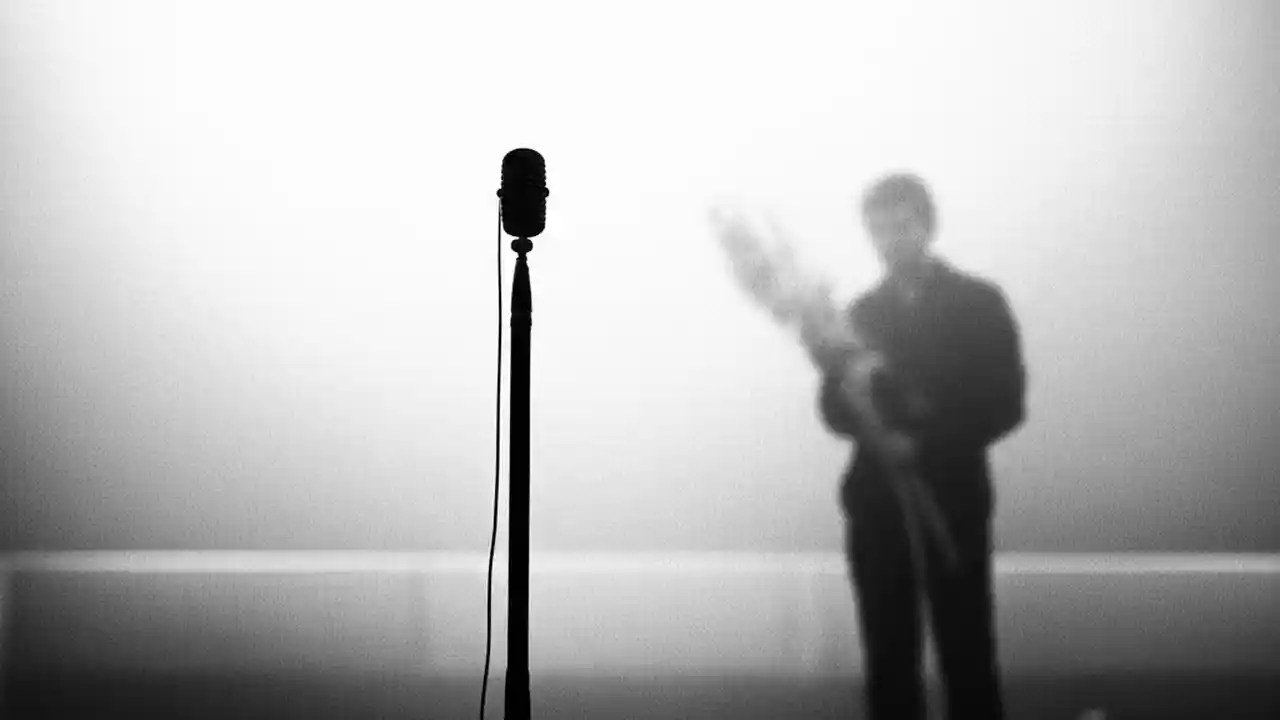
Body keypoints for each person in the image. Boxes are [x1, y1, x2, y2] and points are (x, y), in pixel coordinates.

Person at [817, 173, 1026, 720]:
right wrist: (854, 403)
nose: (890, 241)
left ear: (928, 225)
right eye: (878, 230)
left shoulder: (979, 303)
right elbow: (832, 412)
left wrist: (922, 446)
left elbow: (1005, 402)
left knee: (968, 653)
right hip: (875, 507)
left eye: (901, 226)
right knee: (888, 658)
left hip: (953, 502)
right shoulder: (858, 314)